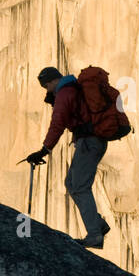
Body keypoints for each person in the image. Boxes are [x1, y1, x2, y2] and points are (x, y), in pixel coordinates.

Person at [25, 66, 110, 249]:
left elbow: (58, 123)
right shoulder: (71, 89)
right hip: (91, 141)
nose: (47, 90)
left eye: (46, 86)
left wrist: (44, 149)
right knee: (71, 183)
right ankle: (98, 224)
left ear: (53, 81)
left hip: (89, 142)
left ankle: (95, 235)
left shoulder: (65, 93)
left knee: (79, 186)